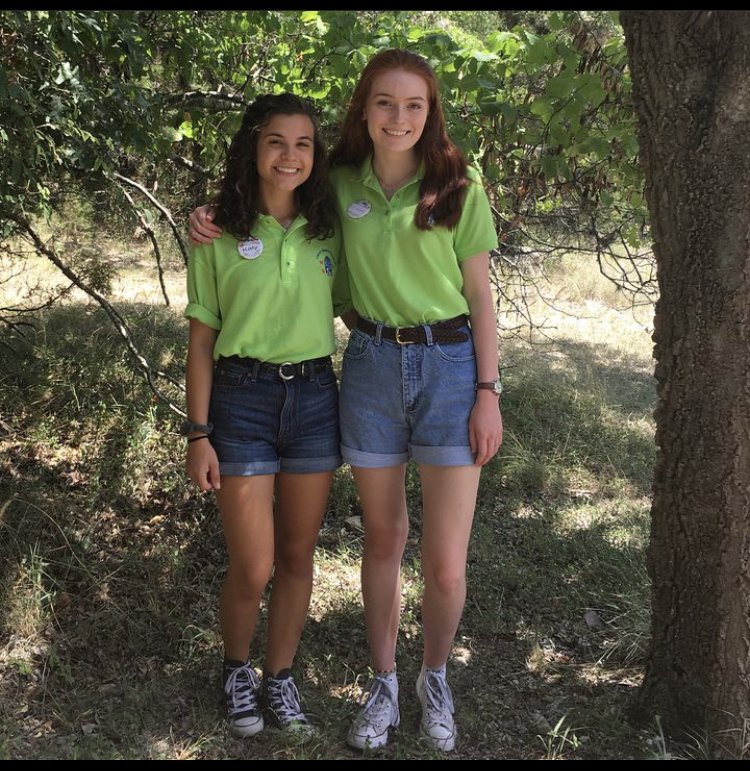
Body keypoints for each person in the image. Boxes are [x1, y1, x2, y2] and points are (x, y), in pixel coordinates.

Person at [189, 49, 503, 753]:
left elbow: (481, 294)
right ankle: (382, 682)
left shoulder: (458, 185)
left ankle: (433, 678)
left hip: (450, 366)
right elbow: (272, 203)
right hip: (367, 366)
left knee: (445, 562)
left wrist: (488, 391)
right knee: (382, 538)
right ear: (364, 108)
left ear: (431, 112)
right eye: (385, 102)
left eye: (415, 104)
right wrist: (208, 215)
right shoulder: (337, 184)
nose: (399, 117)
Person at [183, 93, 347, 738]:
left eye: (303, 144)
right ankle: (235, 670)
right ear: (253, 147)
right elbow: (201, 341)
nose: (289, 155)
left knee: (299, 557)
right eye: (276, 141)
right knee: (254, 564)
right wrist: (198, 433)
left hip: (314, 397)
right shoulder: (217, 231)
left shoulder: (330, 227)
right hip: (241, 399)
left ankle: (279, 678)